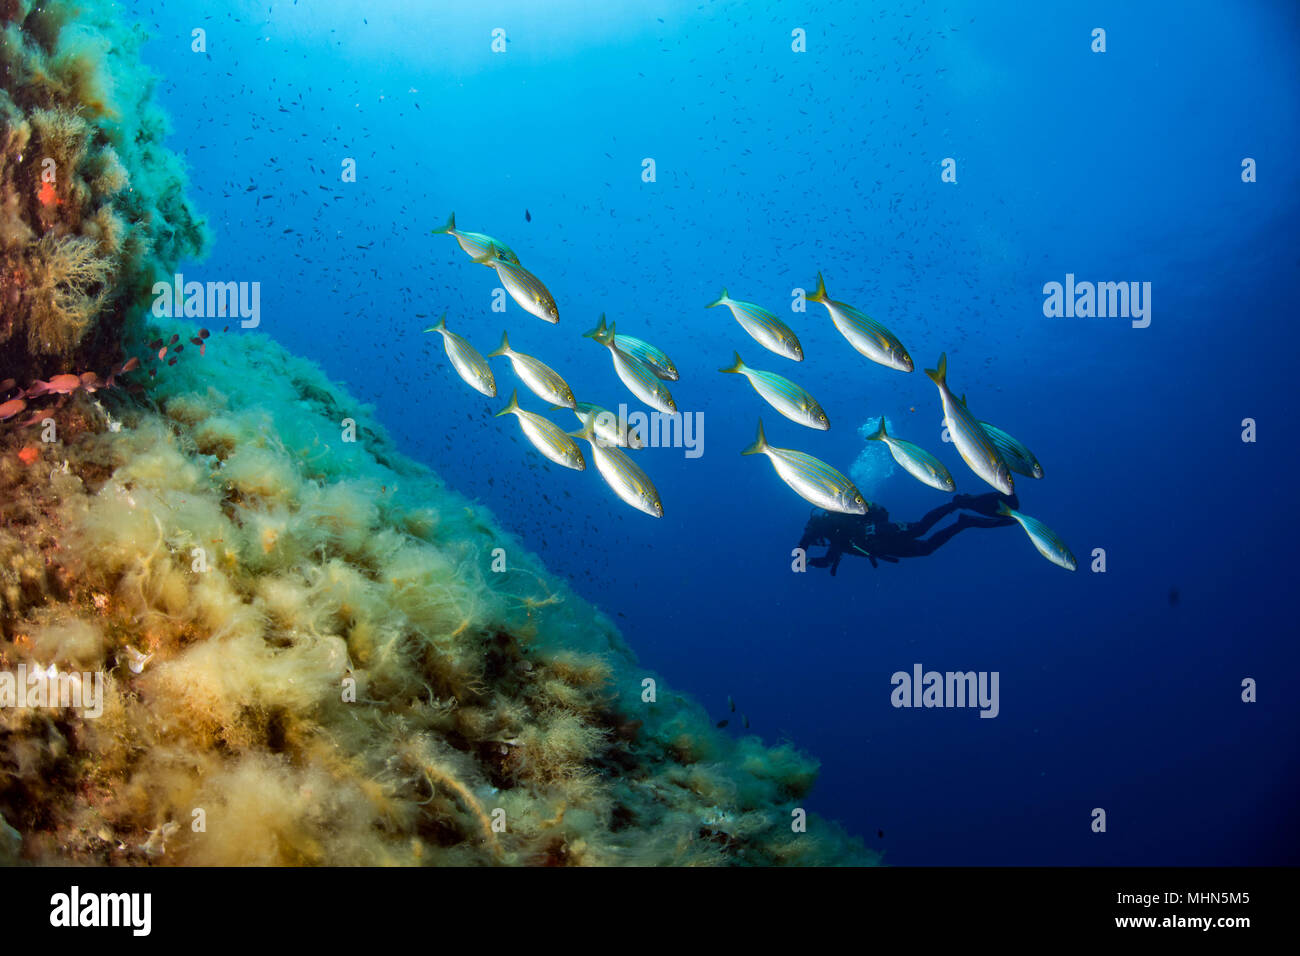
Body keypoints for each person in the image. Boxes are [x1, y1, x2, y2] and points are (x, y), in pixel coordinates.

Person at [796, 492, 1019, 575]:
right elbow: (827, 561)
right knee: (925, 548)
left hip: (880, 533)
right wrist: (811, 562)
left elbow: (803, 545)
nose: (817, 541)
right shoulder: (835, 540)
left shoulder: (827, 525)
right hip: (879, 546)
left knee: (922, 529)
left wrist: (803, 559)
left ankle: (957, 506)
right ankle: (963, 521)